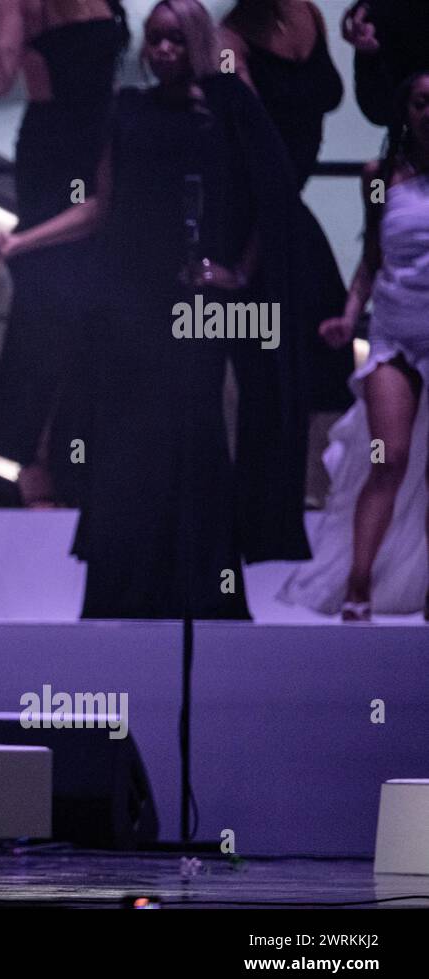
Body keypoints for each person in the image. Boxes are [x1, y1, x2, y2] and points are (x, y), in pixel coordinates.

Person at [0, 0, 311, 619]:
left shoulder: (229, 106)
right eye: (154, 42)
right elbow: (101, 207)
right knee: (126, 449)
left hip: (198, 307)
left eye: (174, 42)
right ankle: (121, 595)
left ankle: (202, 593)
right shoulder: (127, 110)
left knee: (195, 435)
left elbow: (275, 194)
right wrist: (22, 240)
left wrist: (237, 272)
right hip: (130, 309)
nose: (162, 53)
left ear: (195, 43)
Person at [279, 70, 429, 621]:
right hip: (395, 338)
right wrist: (347, 318)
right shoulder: (379, 176)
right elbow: (372, 260)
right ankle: (358, 585)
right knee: (386, 458)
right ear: (405, 111)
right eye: (419, 102)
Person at [0, 0, 129, 508]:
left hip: (103, 138)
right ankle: (32, 466)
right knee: (45, 304)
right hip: (54, 147)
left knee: (89, 314)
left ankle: (70, 467)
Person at [221, 0, 355, 502]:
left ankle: (300, 494)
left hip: (288, 208)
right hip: (253, 208)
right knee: (259, 352)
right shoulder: (229, 38)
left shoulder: (308, 14)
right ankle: (253, 498)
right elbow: (249, 135)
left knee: (323, 348)